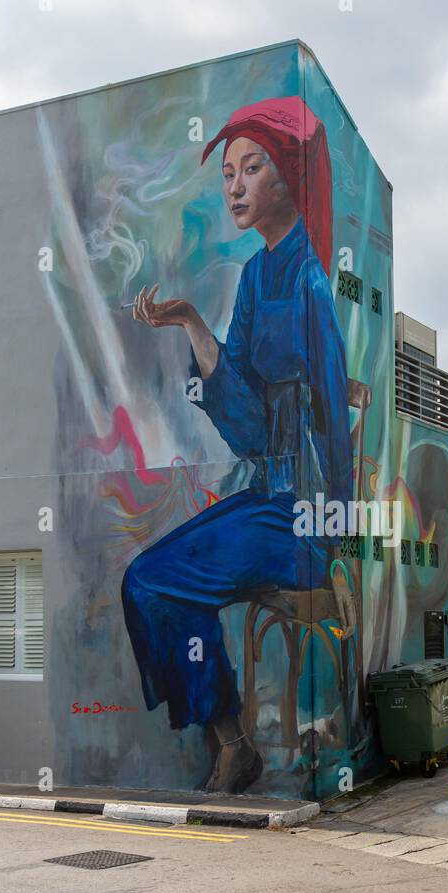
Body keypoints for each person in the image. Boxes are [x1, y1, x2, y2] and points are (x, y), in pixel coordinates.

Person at [121, 98, 351, 793]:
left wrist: (333, 527)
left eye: (252, 167)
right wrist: (191, 321)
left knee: (154, 577)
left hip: (302, 518)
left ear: (289, 177)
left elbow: (335, 416)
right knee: (151, 582)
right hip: (266, 498)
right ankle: (232, 741)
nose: (235, 185)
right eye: (228, 173)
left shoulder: (310, 282)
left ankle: (232, 745)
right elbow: (247, 419)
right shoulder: (257, 276)